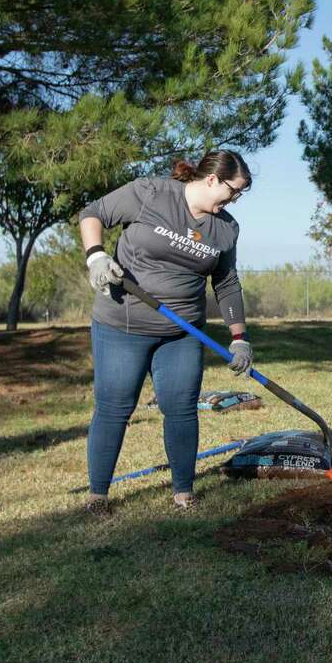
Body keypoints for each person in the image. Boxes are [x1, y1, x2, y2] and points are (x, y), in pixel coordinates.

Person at [78, 150, 253, 514]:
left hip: (183, 332)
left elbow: (226, 283)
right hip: (123, 323)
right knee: (115, 406)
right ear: (212, 179)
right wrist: (96, 255)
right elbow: (93, 213)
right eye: (233, 191)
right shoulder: (150, 193)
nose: (235, 200)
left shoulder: (226, 228)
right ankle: (98, 496)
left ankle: (184, 493)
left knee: (181, 407)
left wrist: (239, 339)